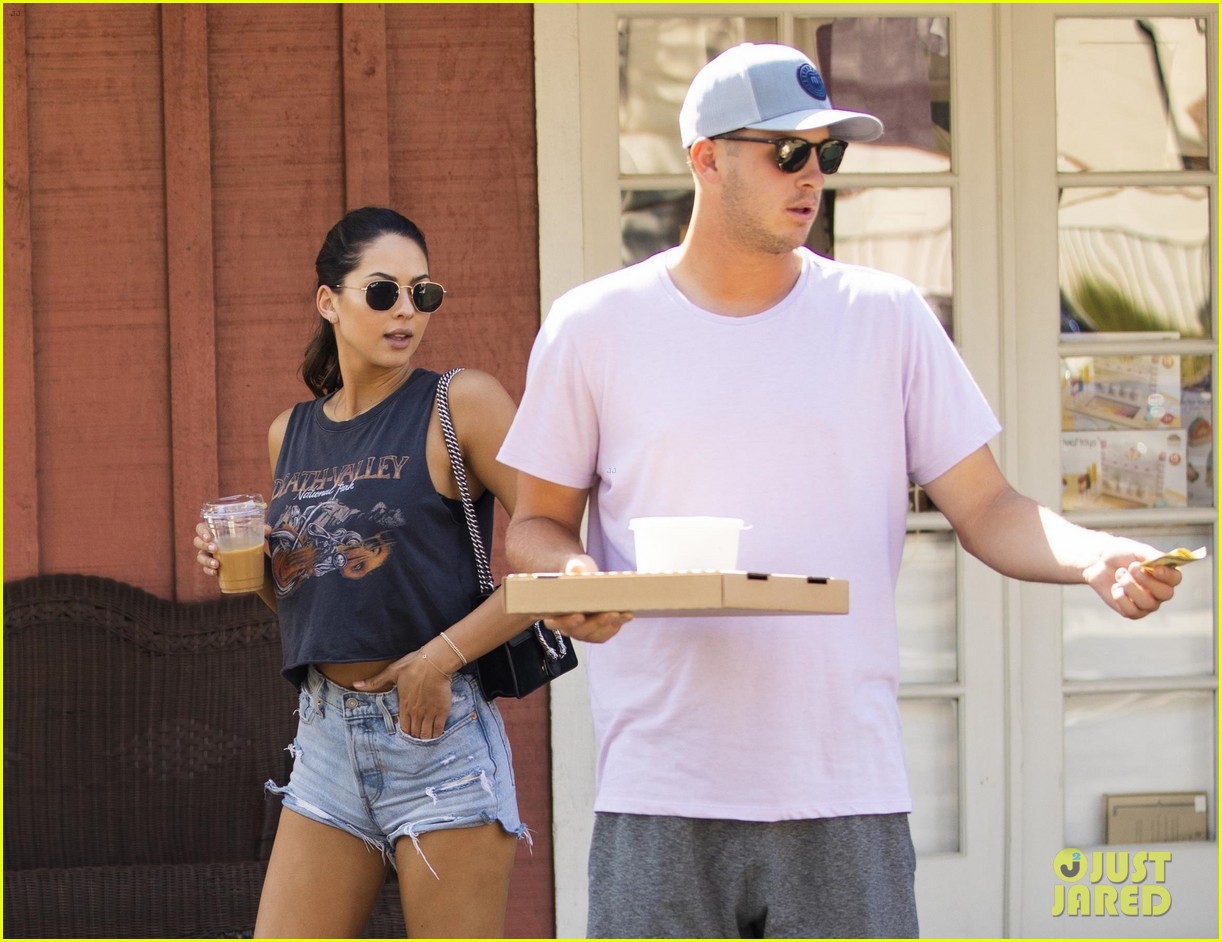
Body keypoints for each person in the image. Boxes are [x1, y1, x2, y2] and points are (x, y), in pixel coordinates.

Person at [497, 43, 1184, 939]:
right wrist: (578, 579)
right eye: (787, 151)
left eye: (828, 152)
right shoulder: (594, 326)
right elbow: (537, 526)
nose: (812, 175)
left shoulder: (885, 317)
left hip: (845, 785)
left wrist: (1098, 556)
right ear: (705, 157)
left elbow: (986, 507)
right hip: (661, 785)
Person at [192, 206, 536, 938]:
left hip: (436, 735)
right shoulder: (292, 431)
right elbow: (315, 603)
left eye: (423, 294)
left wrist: (439, 659)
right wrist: (246, 569)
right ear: (329, 302)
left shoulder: (459, 403)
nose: (406, 311)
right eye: (383, 292)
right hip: (325, 738)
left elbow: (552, 558)